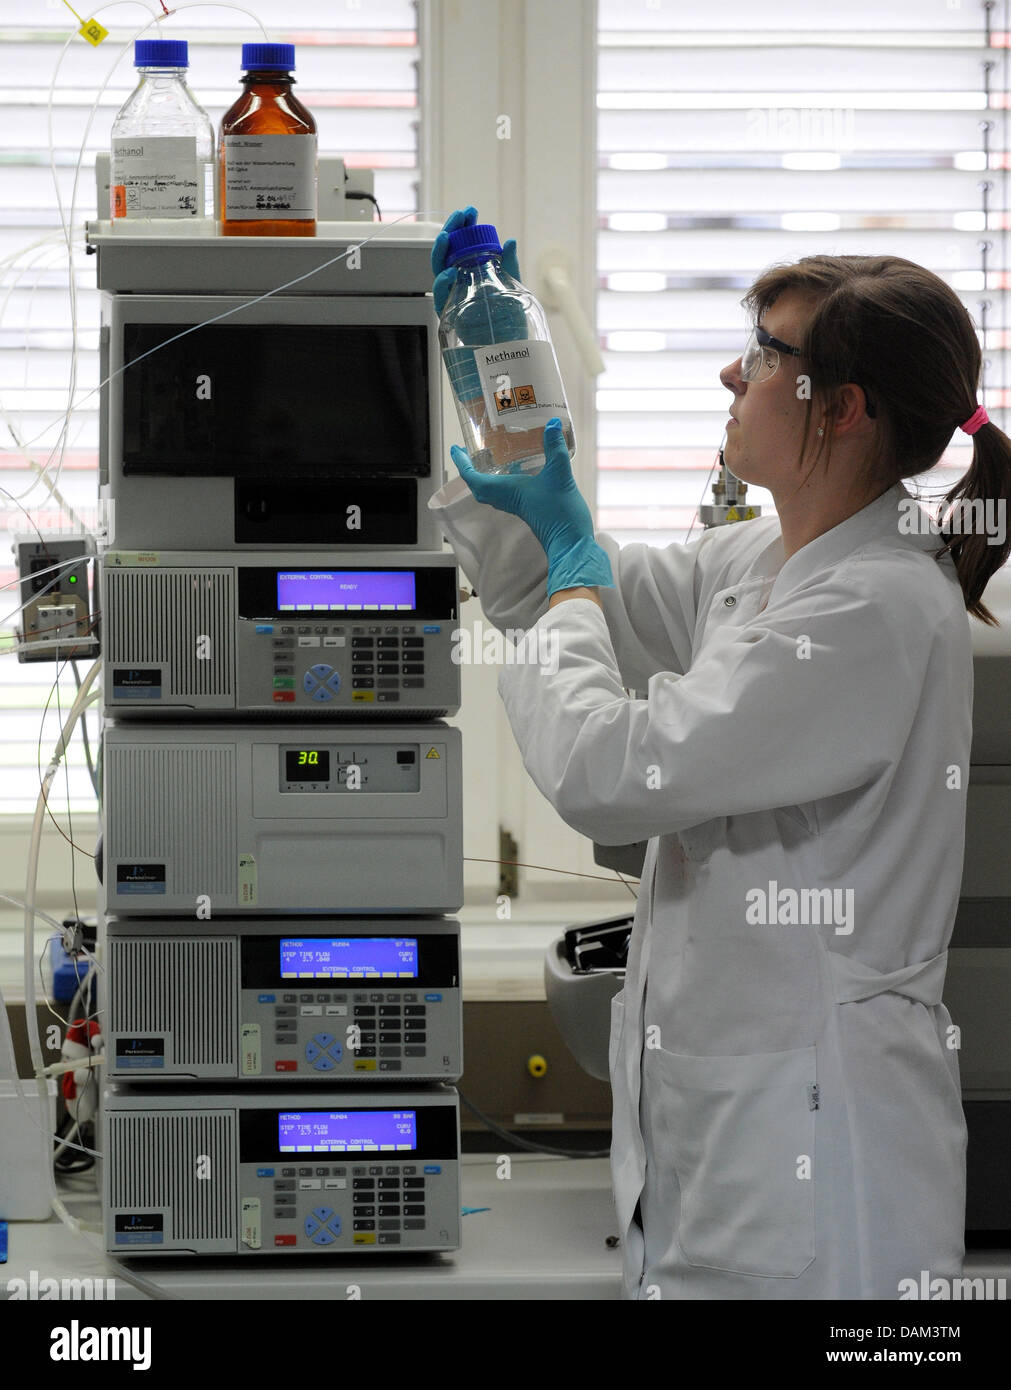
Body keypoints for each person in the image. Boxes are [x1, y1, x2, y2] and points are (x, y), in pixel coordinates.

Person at [430, 207, 1011, 1299]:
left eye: (765, 353)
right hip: (725, 1149)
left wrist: (565, 567)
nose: (730, 373)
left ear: (839, 408)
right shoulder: (765, 561)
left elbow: (609, 768)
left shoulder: (872, 610)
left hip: (822, 1190)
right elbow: (575, 594)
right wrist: (494, 383)